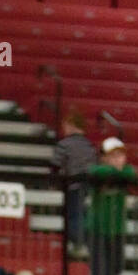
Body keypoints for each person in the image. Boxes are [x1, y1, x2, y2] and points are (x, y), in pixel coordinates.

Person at [87, 137, 138, 275]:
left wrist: (118, 172)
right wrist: (117, 172)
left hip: (117, 227)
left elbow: (132, 174)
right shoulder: (97, 171)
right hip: (98, 228)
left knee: (117, 264)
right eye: (113, 156)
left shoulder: (126, 171)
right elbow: (97, 172)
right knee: (99, 264)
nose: (117, 160)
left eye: (120, 156)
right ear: (103, 158)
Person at [51, 108, 97, 257]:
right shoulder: (90, 146)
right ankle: (83, 242)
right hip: (88, 184)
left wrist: (54, 182)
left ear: (70, 125)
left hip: (73, 183)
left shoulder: (65, 144)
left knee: (73, 215)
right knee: (82, 213)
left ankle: (77, 243)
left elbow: (55, 165)